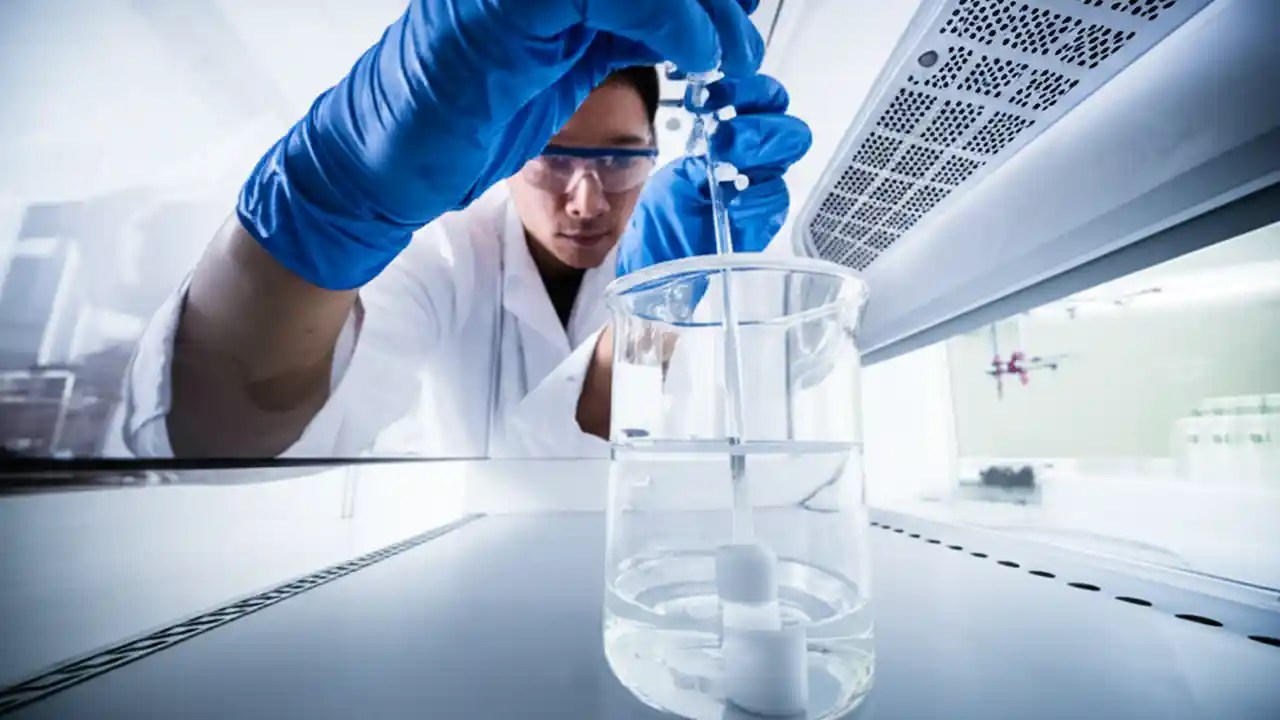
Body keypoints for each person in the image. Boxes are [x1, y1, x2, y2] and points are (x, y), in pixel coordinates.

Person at [115, 0, 812, 459]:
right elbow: (220, 439)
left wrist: (666, 301)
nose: (585, 199)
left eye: (621, 159)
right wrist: (335, 194)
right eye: (554, 156)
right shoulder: (443, 255)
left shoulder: (695, 240)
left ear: (658, 154)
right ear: (507, 150)